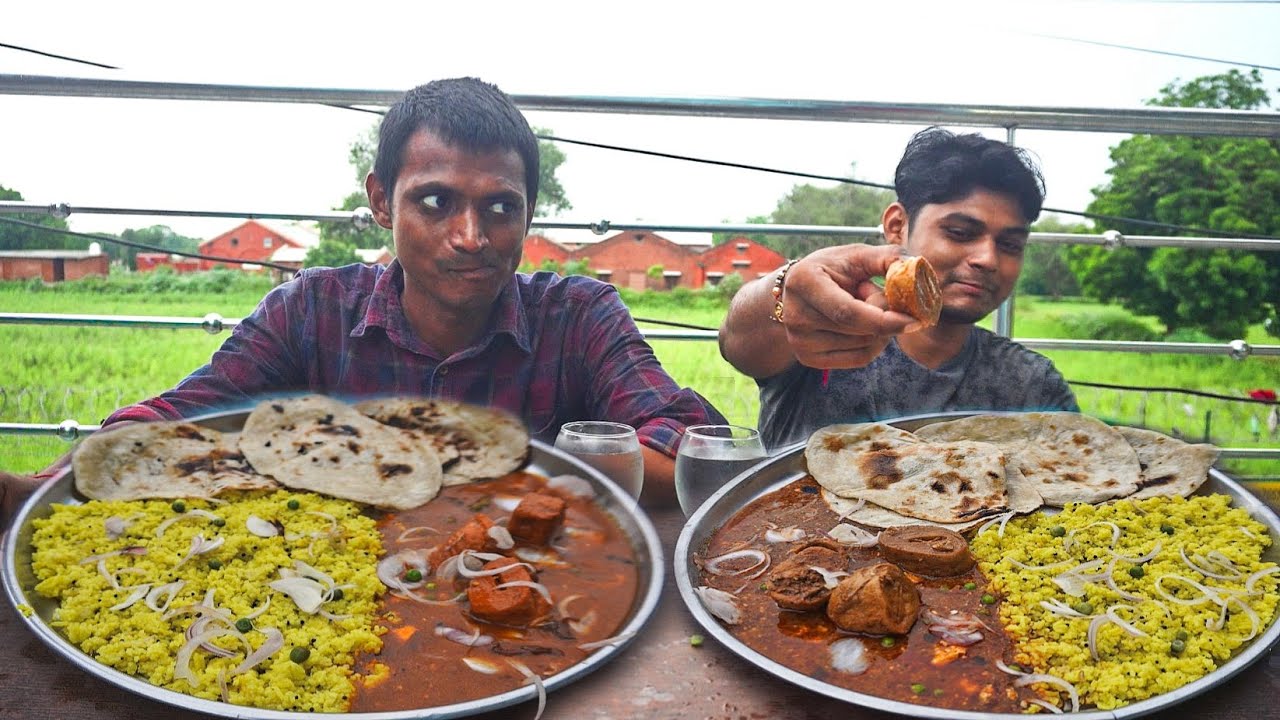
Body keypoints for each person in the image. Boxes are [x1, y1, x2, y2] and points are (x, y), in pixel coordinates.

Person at [0, 77, 723, 529]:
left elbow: (689, 448)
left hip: (521, 601)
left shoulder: (579, 316)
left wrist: (531, 476)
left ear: (531, 212)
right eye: (434, 202)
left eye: (500, 207)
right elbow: (176, 417)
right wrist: (38, 488)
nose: (471, 237)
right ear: (382, 201)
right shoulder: (310, 311)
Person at [719, 127, 1078, 451]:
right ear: (897, 225)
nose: (988, 258)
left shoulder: (1032, 383)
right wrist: (783, 291)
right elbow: (737, 343)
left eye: (1010, 245)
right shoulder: (821, 331)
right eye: (959, 233)